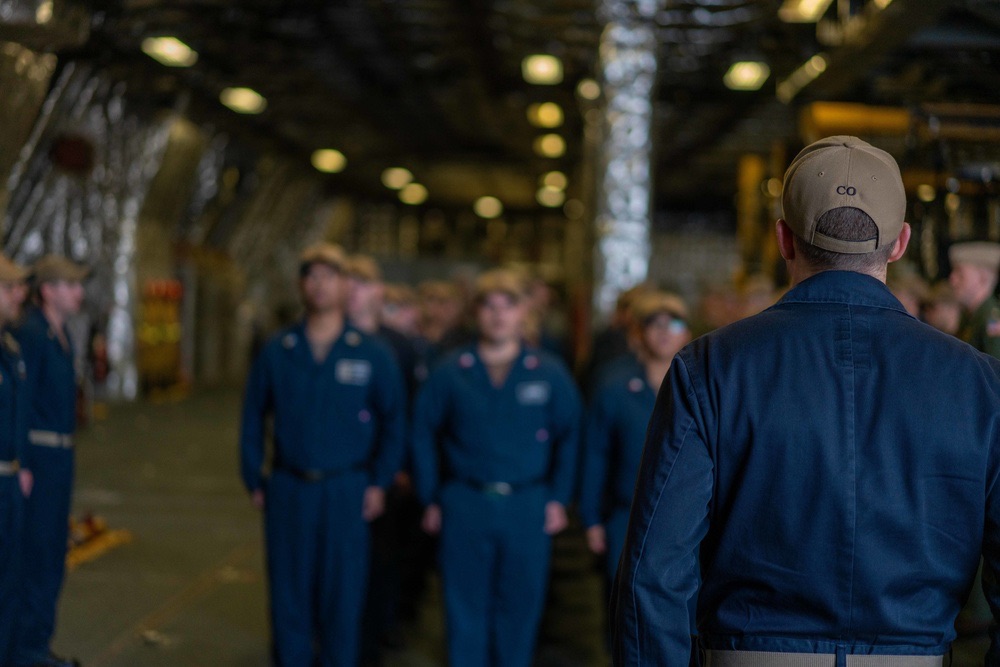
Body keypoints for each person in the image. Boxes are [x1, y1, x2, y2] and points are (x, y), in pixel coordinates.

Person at [612, 136, 1000, 665]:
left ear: (783, 240)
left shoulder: (708, 368)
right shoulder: (981, 383)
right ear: (901, 243)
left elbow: (654, 574)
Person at [239, 242, 406, 667]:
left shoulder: (370, 353)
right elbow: (254, 414)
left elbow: (394, 420)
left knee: (342, 598)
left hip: (347, 489)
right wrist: (254, 475)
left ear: (346, 285)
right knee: (288, 595)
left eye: (330, 275)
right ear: (301, 285)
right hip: (290, 487)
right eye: (311, 275)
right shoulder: (280, 350)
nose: (320, 284)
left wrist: (379, 481)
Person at [411, 268, 582, 667]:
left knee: (519, 610)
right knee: (464, 608)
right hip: (465, 499)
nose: (498, 314)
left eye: (509, 305)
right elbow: (421, 431)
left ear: (524, 312)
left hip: (527, 503)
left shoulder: (549, 372)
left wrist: (559, 497)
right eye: (489, 304)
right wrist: (431, 495)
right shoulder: (452, 371)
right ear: (476, 312)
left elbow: (572, 435)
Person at [579, 290, 691, 584]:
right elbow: (595, 452)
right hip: (625, 516)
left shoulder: (701, 383)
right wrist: (591, 518)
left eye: (675, 325)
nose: (666, 333)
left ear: (687, 332)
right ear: (639, 333)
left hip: (686, 518)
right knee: (621, 603)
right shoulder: (614, 383)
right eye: (656, 325)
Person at [12, 255, 87, 667]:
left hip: (60, 456)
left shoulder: (61, 335)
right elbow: (20, 404)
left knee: (53, 550)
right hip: (39, 457)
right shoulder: (34, 336)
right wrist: (21, 461)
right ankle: (25, 649)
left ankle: (38, 643)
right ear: (48, 291)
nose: (78, 292)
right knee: (36, 552)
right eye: (70, 285)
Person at [0, 254, 31, 667]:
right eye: (9, 288)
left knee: (9, 583)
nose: (19, 295)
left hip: (8, 480)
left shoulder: (9, 348)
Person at [949, 241, 1000, 359]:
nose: (952, 280)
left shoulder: (991, 320)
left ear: (982, 278)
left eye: (960, 273)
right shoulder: (970, 316)